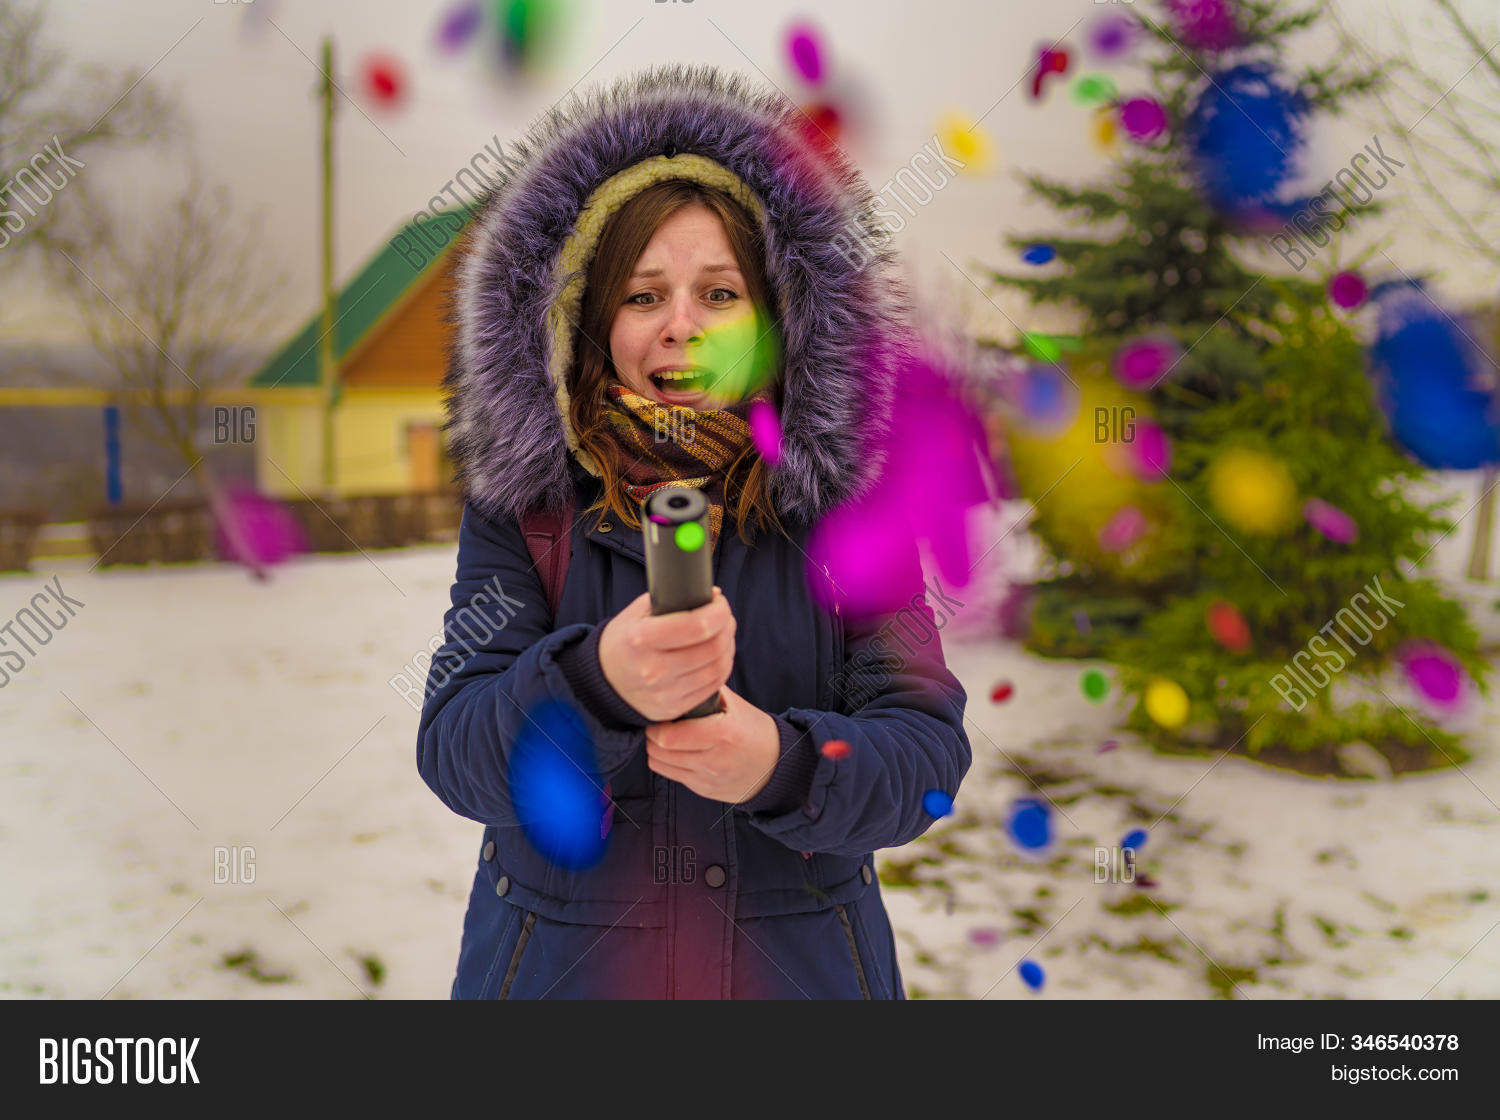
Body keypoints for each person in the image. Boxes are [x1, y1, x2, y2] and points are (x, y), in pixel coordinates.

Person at [418, 63, 971, 999]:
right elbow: (455, 748)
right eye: (642, 297)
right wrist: (592, 687)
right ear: (589, 323)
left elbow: (925, 750)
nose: (682, 326)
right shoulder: (530, 505)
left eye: (720, 294)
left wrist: (788, 767)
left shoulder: (852, 502)